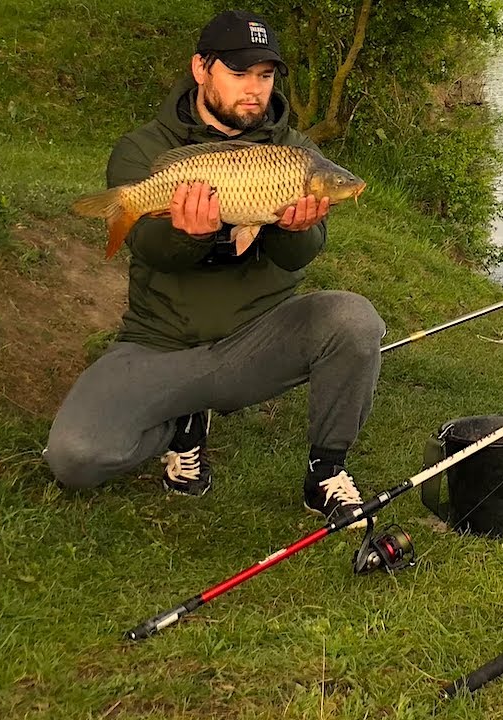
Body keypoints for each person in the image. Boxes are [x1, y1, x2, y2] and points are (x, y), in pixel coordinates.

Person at [43, 9, 384, 530]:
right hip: (162, 342)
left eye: (265, 76)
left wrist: (295, 228)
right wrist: (189, 232)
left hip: (258, 341)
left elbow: (297, 258)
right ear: (200, 68)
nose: (255, 90)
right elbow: (153, 251)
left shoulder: (295, 155)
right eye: (239, 72)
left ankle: (326, 472)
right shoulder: (143, 151)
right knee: (74, 456)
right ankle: (181, 419)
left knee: (354, 320)